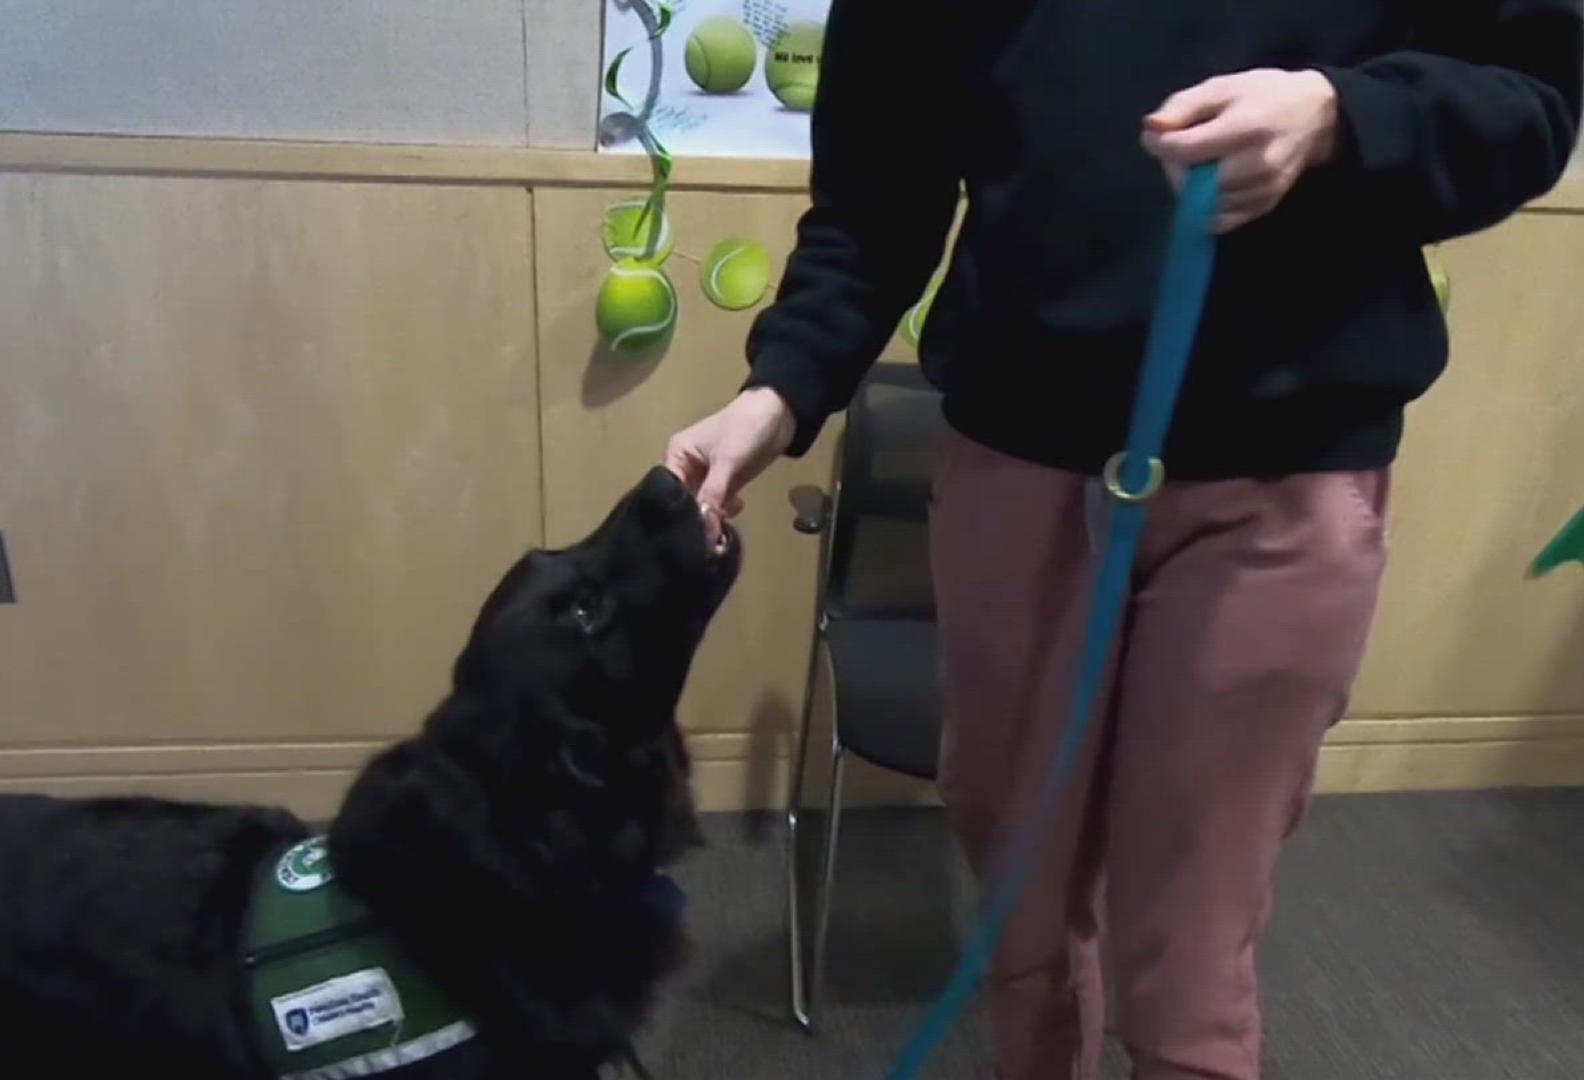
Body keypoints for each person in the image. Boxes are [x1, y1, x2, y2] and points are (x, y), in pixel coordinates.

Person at [664, 2, 1582, 1078]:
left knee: (1190, 949)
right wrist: (782, 388)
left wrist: (1344, 115)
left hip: (1282, 472)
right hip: (1015, 464)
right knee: (1023, 903)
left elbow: (1528, 100)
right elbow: (878, 198)